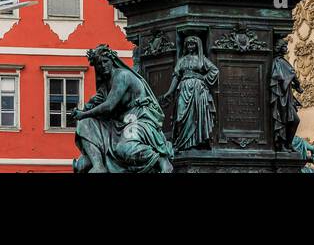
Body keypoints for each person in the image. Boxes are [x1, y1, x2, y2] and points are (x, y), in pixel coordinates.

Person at [72, 45, 174, 173]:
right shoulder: (105, 84)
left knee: (123, 149)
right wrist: (83, 111)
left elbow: (109, 106)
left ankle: (161, 160)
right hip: (118, 124)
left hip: (138, 119)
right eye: (99, 64)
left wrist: (84, 114)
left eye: (105, 61)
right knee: (85, 124)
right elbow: (96, 101)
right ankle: (98, 166)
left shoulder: (122, 76)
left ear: (112, 61)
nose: (102, 66)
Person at [163, 36, 218, 151]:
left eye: (192, 44)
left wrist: (203, 78)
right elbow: (176, 76)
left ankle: (196, 142)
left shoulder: (201, 59)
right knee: (180, 116)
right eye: (188, 44)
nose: (190, 47)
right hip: (183, 88)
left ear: (197, 46)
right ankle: (181, 142)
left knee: (197, 116)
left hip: (198, 90)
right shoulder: (182, 60)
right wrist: (169, 91)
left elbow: (214, 70)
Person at [270, 36, 302, 150]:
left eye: (286, 46)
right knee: (288, 120)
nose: (286, 48)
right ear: (279, 48)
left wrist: (295, 85)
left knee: (294, 120)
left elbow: (289, 75)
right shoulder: (278, 62)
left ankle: (288, 143)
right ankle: (283, 143)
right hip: (281, 96)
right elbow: (290, 74)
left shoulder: (281, 61)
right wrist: (296, 85)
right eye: (284, 46)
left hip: (286, 96)